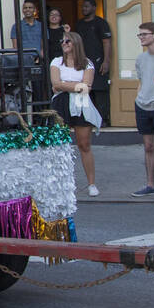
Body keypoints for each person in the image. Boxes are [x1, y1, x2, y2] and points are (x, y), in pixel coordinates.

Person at [49, 31, 99, 196]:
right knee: (60, 144)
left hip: (80, 103)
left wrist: (65, 84)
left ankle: (91, 184)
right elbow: (55, 84)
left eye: (68, 41)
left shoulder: (87, 63)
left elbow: (87, 87)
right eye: (62, 41)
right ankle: (61, 183)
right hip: (61, 102)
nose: (64, 43)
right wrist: (75, 85)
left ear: (76, 43)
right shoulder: (56, 62)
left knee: (84, 144)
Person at [129, 22, 154, 198]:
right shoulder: (140, 58)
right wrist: (139, 97)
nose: (142, 37)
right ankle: (150, 184)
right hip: (142, 104)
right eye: (140, 35)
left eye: (145, 34)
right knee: (148, 146)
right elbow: (141, 80)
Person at [74, 0, 112, 126]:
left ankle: (102, 119)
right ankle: (86, 119)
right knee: (84, 90)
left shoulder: (101, 23)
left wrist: (106, 61)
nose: (84, 9)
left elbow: (106, 42)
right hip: (82, 62)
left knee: (100, 91)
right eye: (83, 7)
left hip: (98, 61)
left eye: (87, 6)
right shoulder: (79, 24)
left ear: (94, 8)